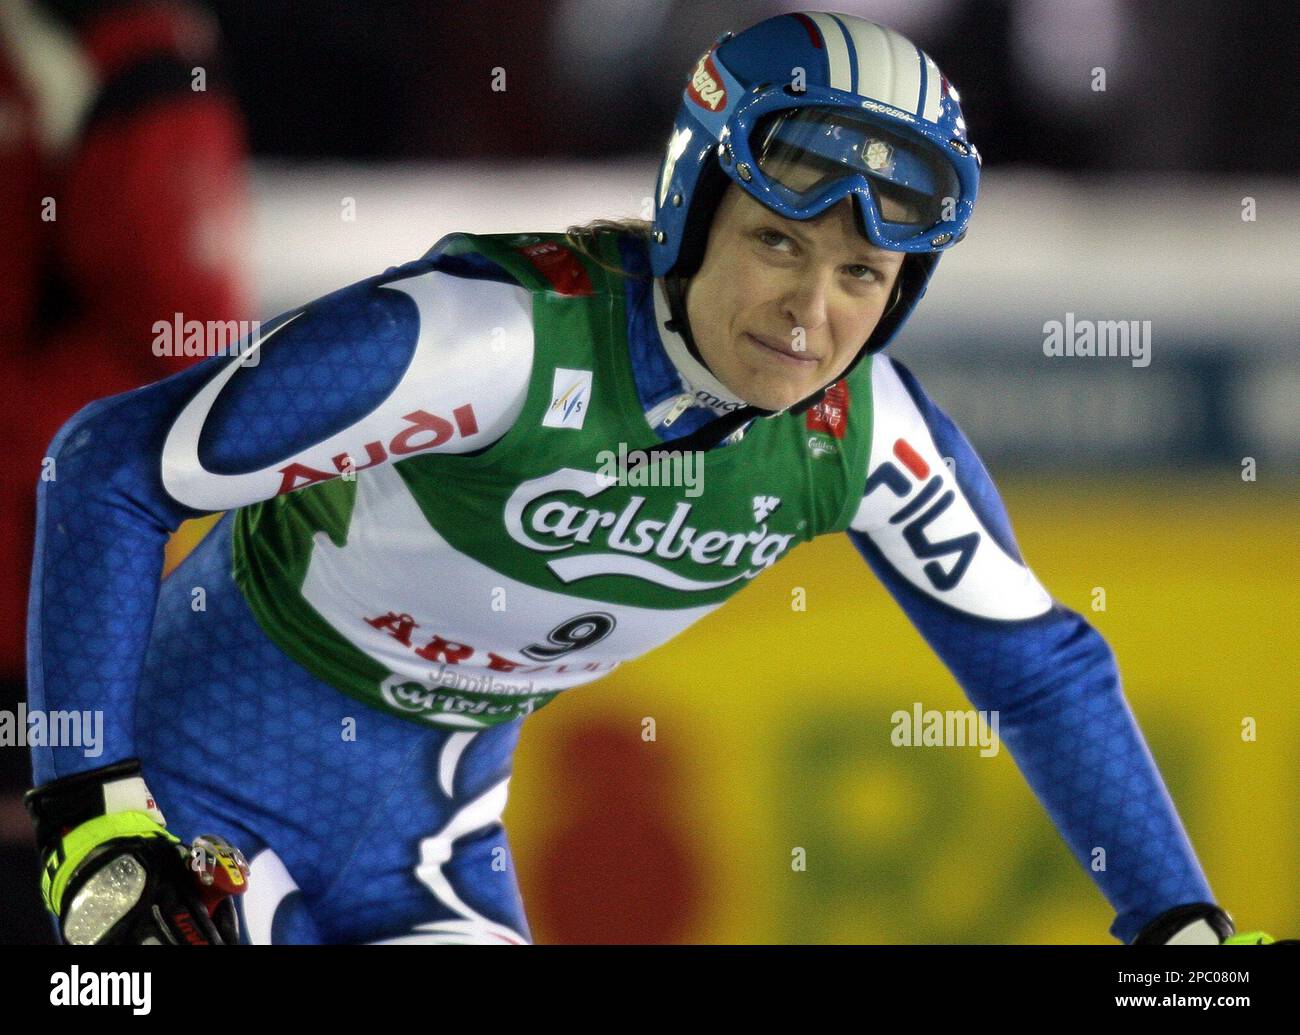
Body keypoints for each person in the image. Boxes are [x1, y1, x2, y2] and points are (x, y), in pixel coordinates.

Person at [22, 11, 1283, 946]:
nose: (809, 314)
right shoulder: (490, 336)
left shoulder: (867, 436)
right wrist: (93, 811)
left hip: (424, 855)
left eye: (863, 278)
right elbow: (108, 467)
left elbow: (1040, 668)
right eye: (779, 245)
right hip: (190, 807)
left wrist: (1177, 929)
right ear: (688, 212)